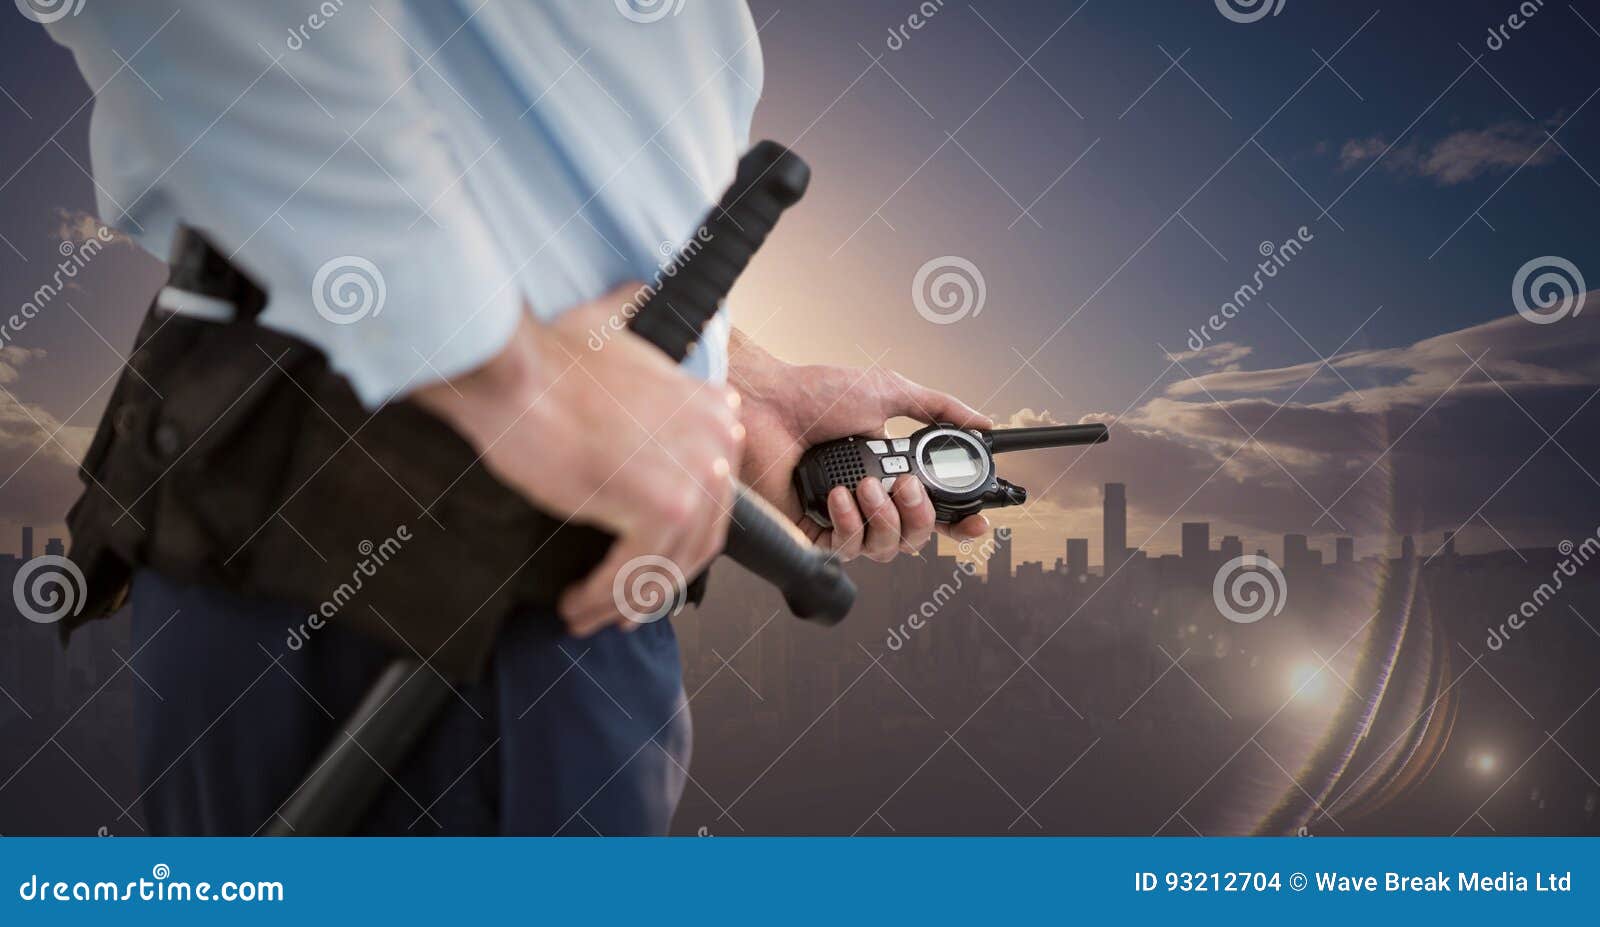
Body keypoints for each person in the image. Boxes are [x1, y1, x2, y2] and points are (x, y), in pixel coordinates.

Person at [45, 2, 991, 835]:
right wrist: (499, 376)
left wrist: (738, 382)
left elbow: (550, 159)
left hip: (557, 555)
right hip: (389, 533)